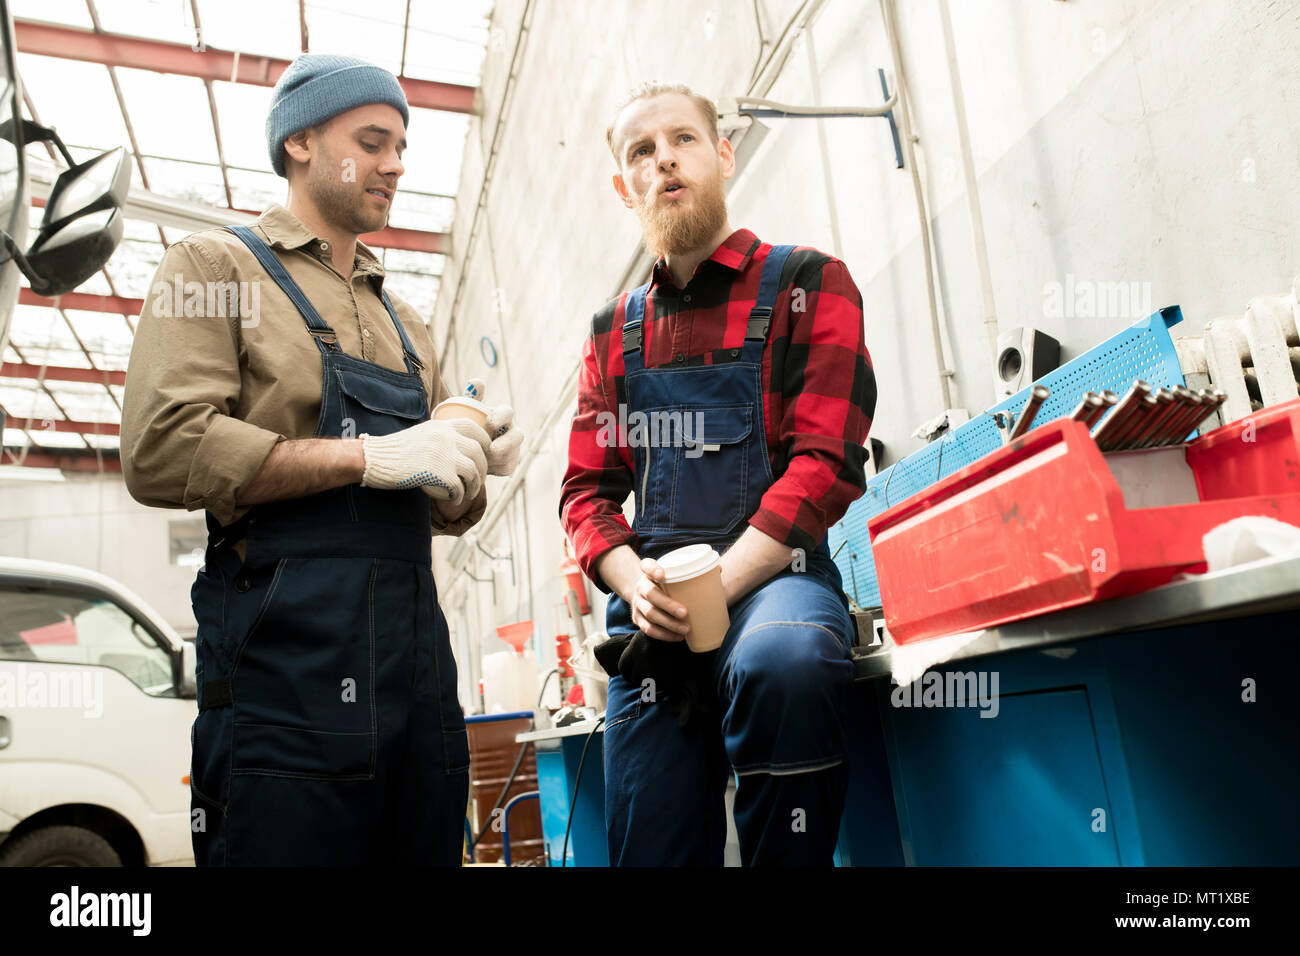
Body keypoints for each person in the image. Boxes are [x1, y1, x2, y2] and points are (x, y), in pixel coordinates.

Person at [120, 54, 523, 866]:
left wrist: (465, 458)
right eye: (372, 140)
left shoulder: (404, 317)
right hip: (287, 665)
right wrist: (363, 458)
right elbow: (160, 449)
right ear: (300, 142)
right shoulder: (216, 270)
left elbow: (439, 506)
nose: (396, 164)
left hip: (415, 666)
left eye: (402, 147)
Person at [559, 82, 876, 866]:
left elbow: (825, 462)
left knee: (787, 661)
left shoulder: (809, 285)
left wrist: (721, 586)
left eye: (684, 139)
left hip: (777, 580)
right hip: (657, 605)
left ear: (724, 153)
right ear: (622, 186)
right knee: (651, 834)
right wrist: (632, 583)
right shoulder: (610, 334)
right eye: (641, 152)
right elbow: (586, 494)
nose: (664, 158)